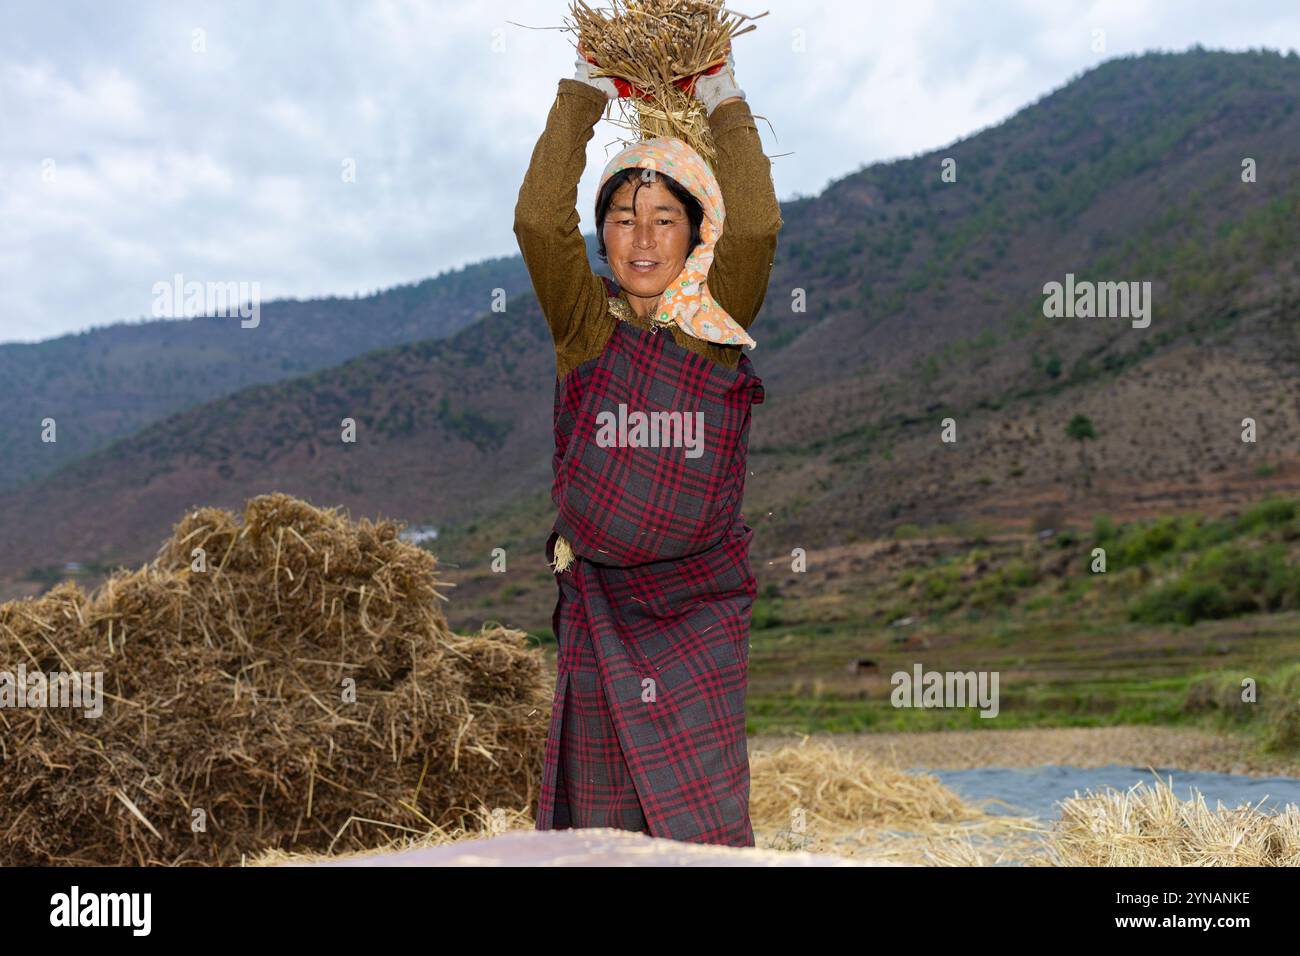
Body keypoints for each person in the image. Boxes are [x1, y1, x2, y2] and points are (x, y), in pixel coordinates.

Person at [513, 40, 781, 847]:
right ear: (602, 232)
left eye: (665, 218)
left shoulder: (716, 326)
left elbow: (760, 222)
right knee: (602, 828)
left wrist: (723, 98)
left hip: (695, 608)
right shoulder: (584, 327)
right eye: (622, 218)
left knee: (699, 824)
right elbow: (535, 220)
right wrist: (585, 94)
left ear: (696, 232)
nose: (640, 239)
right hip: (600, 605)